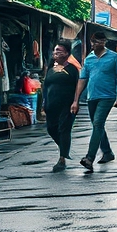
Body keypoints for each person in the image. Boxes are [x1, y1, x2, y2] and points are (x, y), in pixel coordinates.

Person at [75, 31, 117, 172]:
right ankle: (108, 152)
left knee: (98, 123)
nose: (95, 45)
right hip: (92, 96)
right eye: (93, 42)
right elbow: (82, 79)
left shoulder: (114, 57)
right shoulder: (89, 59)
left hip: (108, 96)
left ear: (104, 42)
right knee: (97, 126)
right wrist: (76, 100)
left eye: (98, 42)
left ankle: (89, 158)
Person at [42, 39, 83, 171]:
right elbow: (46, 85)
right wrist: (44, 102)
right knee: (51, 128)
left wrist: (75, 102)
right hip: (51, 104)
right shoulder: (51, 67)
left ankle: (62, 159)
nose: (55, 53)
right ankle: (64, 148)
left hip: (67, 104)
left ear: (66, 53)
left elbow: (78, 86)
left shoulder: (72, 69)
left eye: (59, 51)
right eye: (55, 50)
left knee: (64, 129)